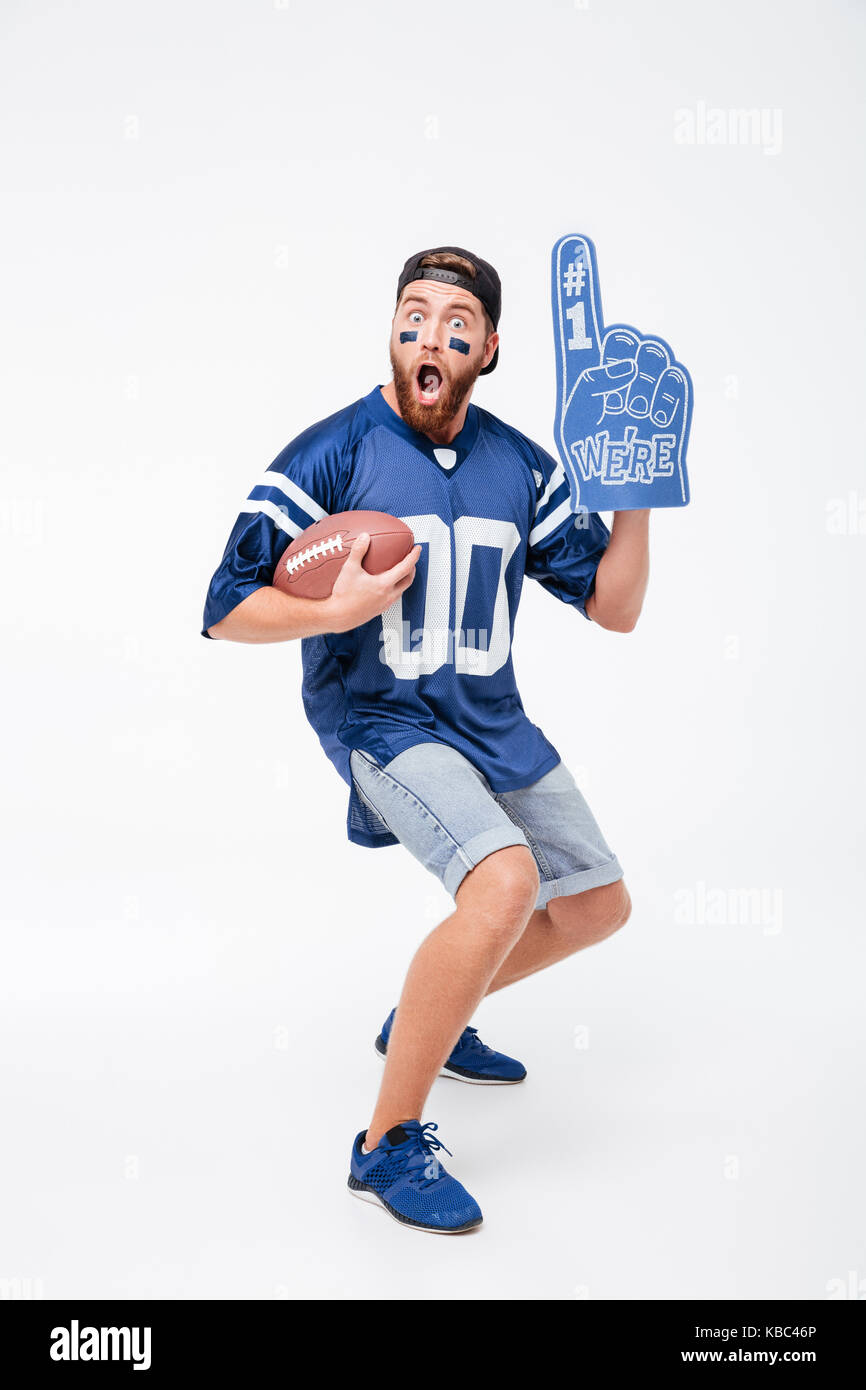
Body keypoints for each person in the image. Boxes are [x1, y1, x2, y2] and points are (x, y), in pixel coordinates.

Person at [202, 246, 649, 1234]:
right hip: (384, 717)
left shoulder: (518, 463)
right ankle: (384, 1144)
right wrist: (332, 608)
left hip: (491, 718)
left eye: (456, 322)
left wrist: (640, 489)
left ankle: (424, 1022)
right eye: (413, 315)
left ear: (488, 348)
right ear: (391, 331)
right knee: (502, 883)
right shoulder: (331, 450)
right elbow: (225, 608)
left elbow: (613, 608)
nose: (430, 335)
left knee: (596, 906)